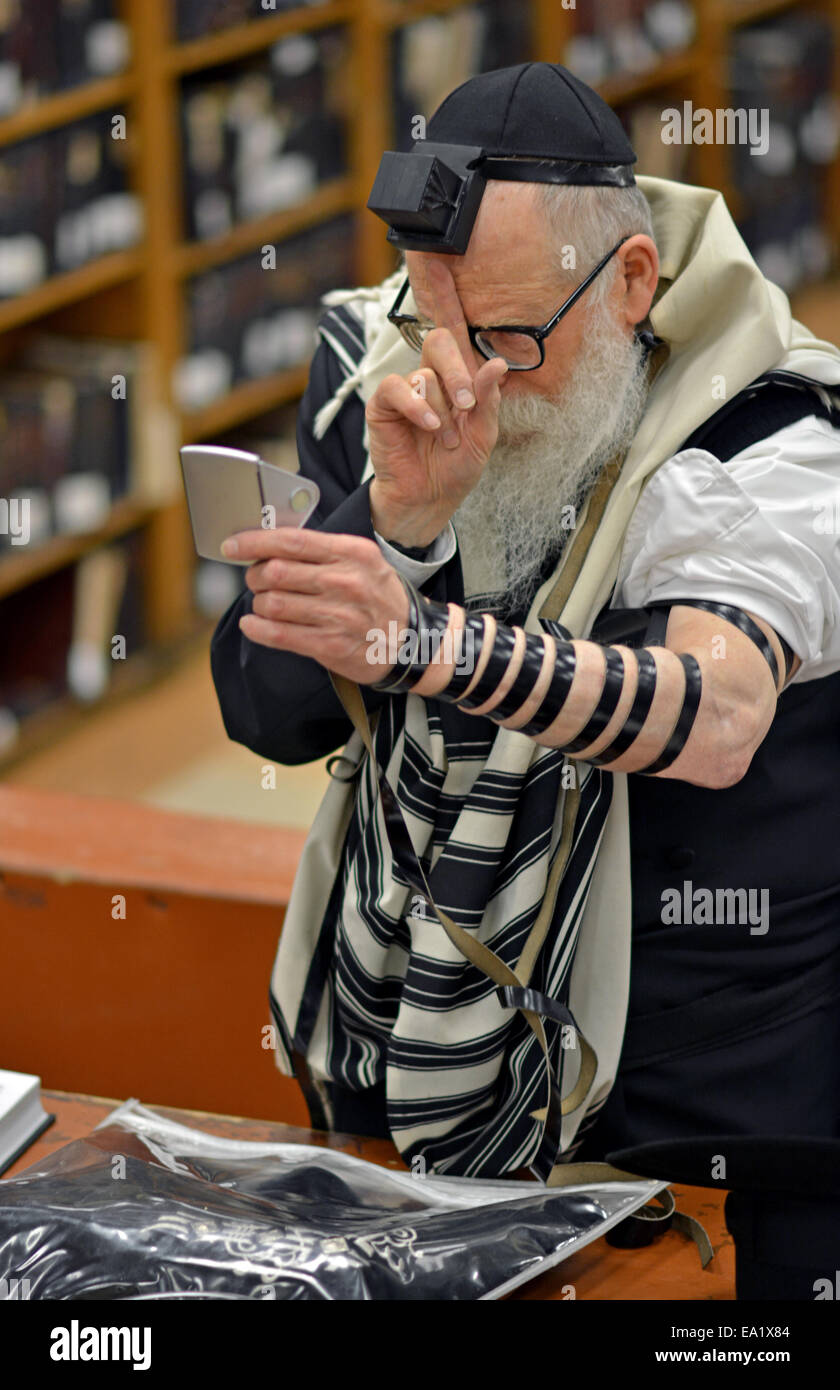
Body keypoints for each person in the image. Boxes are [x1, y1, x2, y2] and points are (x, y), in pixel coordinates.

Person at [211, 64, 840, 1182]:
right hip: (403, 1027)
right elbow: (264, 711)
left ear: (630, 280)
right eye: (432, 321)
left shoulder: (770, 430)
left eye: (505, 340)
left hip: (700, 1076)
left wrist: (424, 643)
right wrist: (394, 526)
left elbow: (718, 715)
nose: (461, 383)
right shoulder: (378, 369)